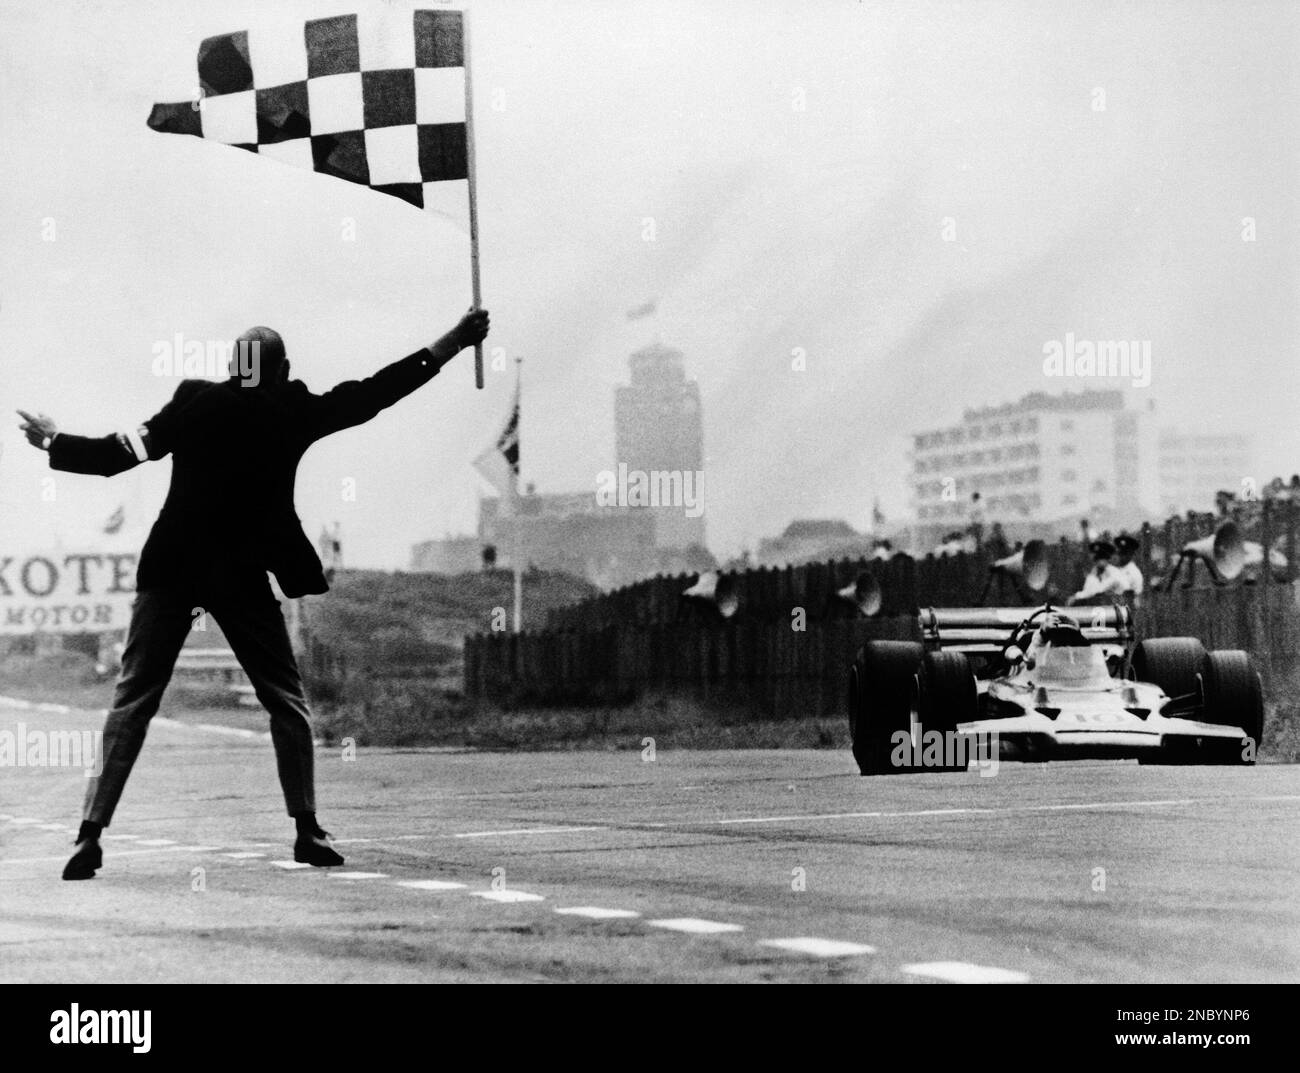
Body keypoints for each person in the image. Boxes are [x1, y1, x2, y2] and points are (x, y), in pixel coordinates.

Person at [17, 308, 490, 880]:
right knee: (285, 701)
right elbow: (377, 392)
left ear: (231, 367)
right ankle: (307, 830)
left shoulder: (194, 401)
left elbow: (120, 455)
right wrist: (456, 342)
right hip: (240, 574)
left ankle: (89, 834)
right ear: (284, 368)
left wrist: (54, 441)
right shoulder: (293, 410)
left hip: (171, 565)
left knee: (133, 700)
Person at [1066, 538, 1127, 604]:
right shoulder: (1093, 573)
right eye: (1097, 558)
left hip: (1118, 608)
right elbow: (1087, 590)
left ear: (1108, 558)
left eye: (1102, 557)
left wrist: (1076, 596)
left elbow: (1099, 589)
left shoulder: (1114, 572)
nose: (1100, 561)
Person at [1113, 533, 1145, 598]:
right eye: (1120, 553)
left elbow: (1136, 598)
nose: (1121, 556)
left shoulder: (1134, 573)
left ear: (1131, 554)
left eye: (1124, 553)